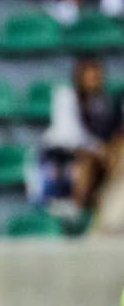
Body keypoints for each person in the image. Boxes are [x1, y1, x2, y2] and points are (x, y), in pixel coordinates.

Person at [38, 58, 122, 223]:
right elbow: (69, 135)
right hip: (61, 152)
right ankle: (78, 206)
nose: (95, 80)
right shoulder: (66, 96)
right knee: (88, 162)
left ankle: (105, 206)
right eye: (90, 77)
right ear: (80, 77)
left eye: (98, 76)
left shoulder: (103, 102)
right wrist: (99, 150)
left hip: (94, 152)